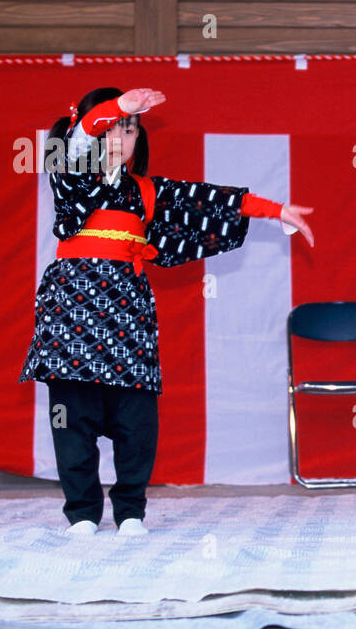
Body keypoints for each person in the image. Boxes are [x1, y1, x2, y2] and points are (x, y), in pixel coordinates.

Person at [19, 86, 314, 536]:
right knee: (72, 417)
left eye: (131, 129)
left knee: (136, 419)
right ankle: (81, 513)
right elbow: (81, 137)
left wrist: (275, 211)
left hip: (127, 310)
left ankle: (131, 511)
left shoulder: (147, 191)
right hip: (72, 313)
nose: (121, 137)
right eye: (112, 128)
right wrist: (119, 108)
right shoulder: (68, 169)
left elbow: (206, 199)